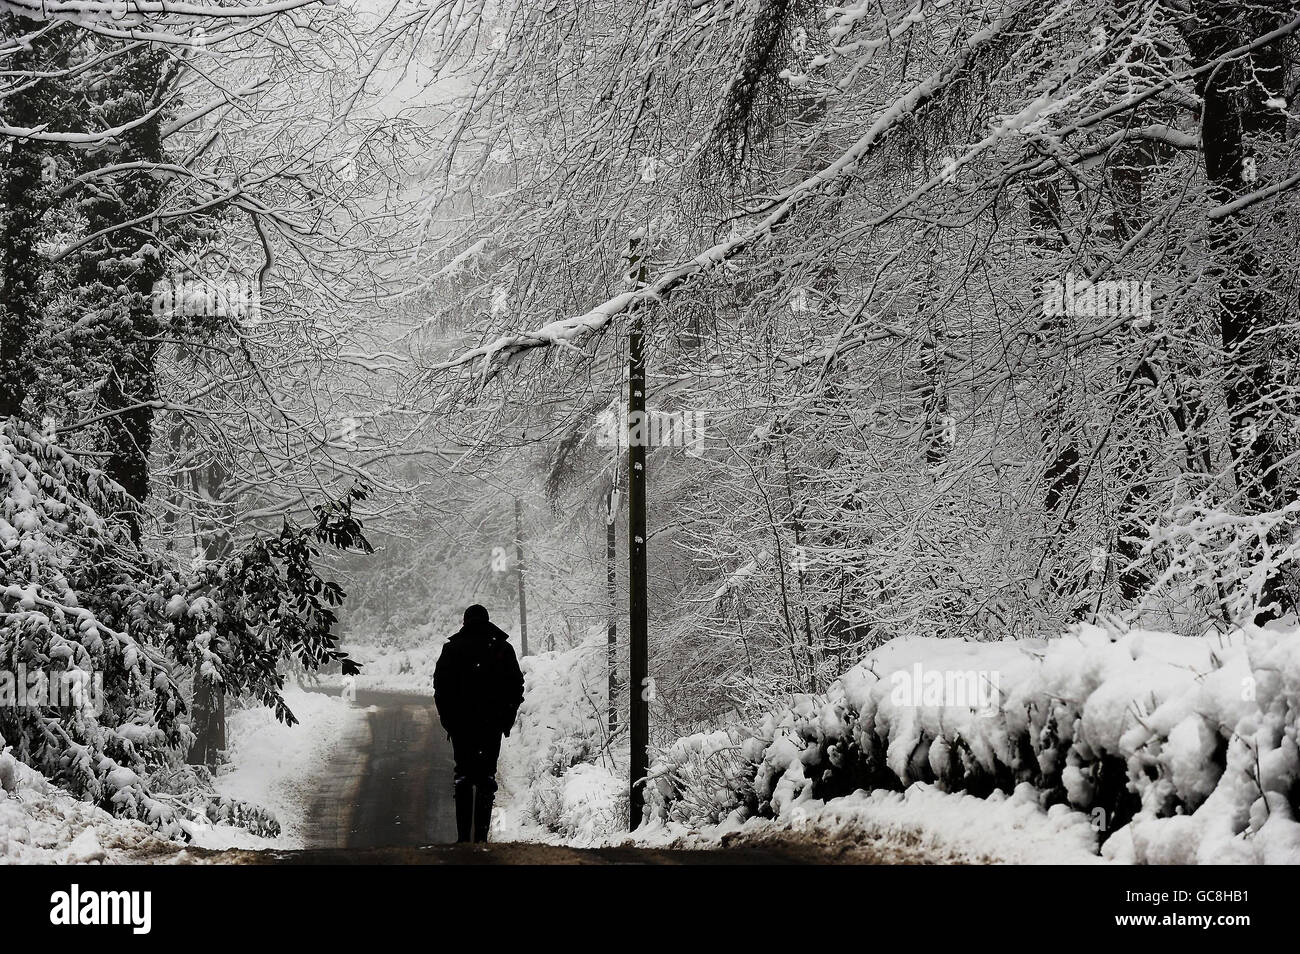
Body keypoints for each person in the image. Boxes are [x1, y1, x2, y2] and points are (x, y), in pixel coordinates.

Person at [433, 604, 525, 843]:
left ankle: (463, 839)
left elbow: (440, 689)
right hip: (491, 725)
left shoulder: (452, 650)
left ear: (465, 622)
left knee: (463, 776)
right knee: (486, 779)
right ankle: (481, 839)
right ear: (487, 621)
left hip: (462, 726)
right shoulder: (502, 649)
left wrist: (448, 721)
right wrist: (505, 719)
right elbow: (516, 687)